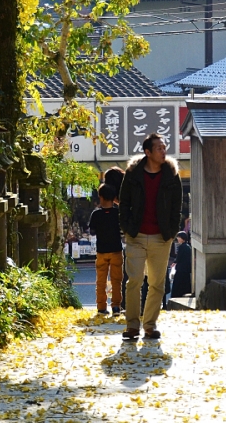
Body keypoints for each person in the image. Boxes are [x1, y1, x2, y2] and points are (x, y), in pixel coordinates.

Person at [118, 133, 182, 341]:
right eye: (159, 148)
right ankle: (132, 326)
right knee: (134, 281)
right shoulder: (133, 173)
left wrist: (171, 232)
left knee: (156, 283)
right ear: (148, 152)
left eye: (164, 148)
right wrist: (127, 228)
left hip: (161, 237)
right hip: (136, 235)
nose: (164, 151)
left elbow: (177, 206)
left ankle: (150, 325)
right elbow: (124, 202)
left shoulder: (171, 174)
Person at [88, 184, 123, 315]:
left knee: (101, 280)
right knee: (116, 280)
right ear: (114, 198)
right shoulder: (118, 213)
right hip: (116, 250)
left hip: (101, 250)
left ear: (100, 197)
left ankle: (101, 307)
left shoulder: (96, 214)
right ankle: (116, 306)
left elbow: (92, 232)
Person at [170, 230, 192, 298]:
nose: (177, 239)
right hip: (186, 269)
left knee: (178, 286)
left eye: (179, 237)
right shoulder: (188, 246)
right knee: (186, 285)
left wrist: (174, 262)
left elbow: (178, 257)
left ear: (182, 238)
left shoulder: (182, 247)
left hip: (181, 270)